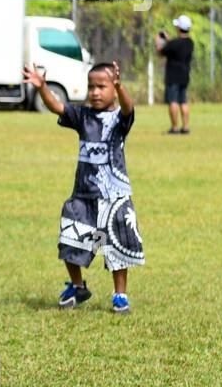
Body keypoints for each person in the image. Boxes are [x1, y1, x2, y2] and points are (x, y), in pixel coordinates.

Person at [23, 60, 143, 314]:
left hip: (113, 197)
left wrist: (122, 89)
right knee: (70, 237)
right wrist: (43, 87)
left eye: (102, 86)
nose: (95, 92)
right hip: (83, 196)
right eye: (91, 86)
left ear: (114, 87)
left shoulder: (119, 120)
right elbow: (57, 106)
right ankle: (78, 287)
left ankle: (120, 294)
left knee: (113, 246)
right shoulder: (83, 116)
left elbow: (128, 109)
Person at [157, 14, 195, 135]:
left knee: (173, 101)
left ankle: (174, 128)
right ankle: (186, 127)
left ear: (179, 28)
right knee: (183, 101)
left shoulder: (174, 43)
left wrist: (158, 42)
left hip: (173, 76)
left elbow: (161, 52)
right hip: (185, 75)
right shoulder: (190, 43)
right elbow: (176, 46)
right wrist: (169, 40)